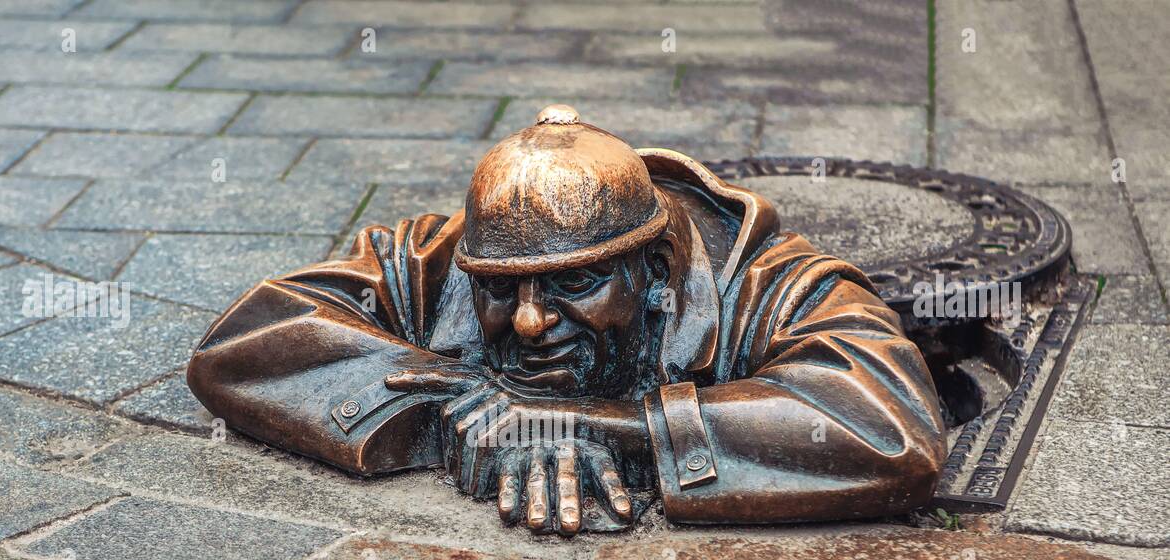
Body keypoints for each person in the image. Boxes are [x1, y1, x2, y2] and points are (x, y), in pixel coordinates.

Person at [188, 105, 946, 535]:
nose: (527, 321)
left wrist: (603, 426)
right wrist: (455, 405)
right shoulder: (453, 252)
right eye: (501, 289)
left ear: (653, 272)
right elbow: (245, 339)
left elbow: (891, 428)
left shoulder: (772, 282)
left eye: (574, 285)